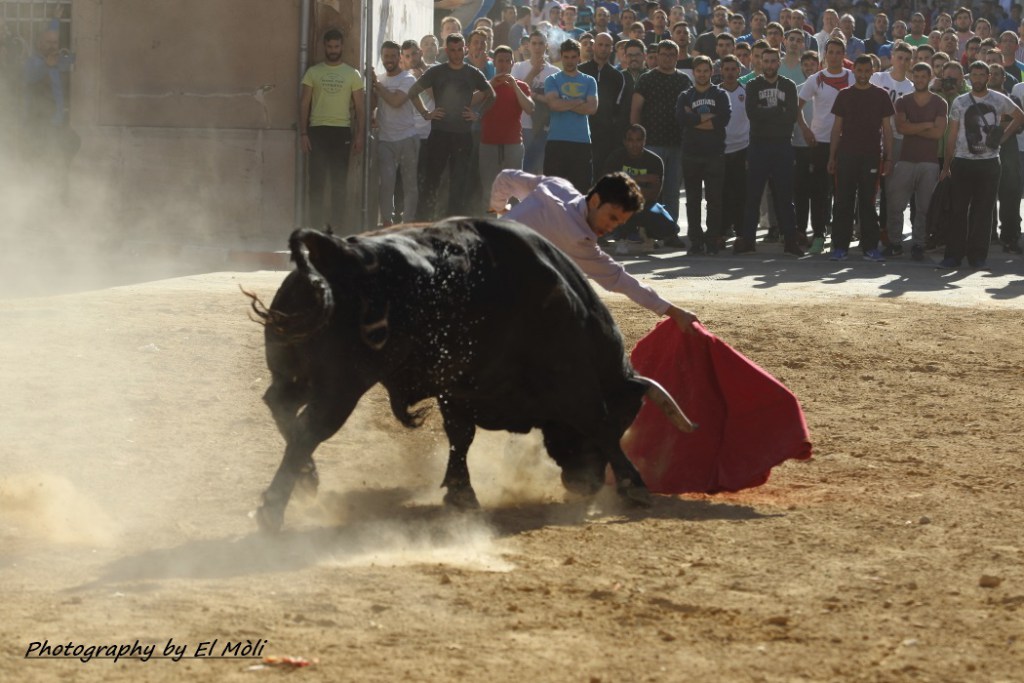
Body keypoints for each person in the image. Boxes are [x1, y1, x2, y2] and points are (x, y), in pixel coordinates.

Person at [489, 170, 698, 330]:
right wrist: (674, 312)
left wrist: (499, 210)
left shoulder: (558, 186)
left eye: (619, 223)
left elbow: (505, 178)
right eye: (612, 217)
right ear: (596, 200)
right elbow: (621, 281)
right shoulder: (577, 239)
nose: (611, 227)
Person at [938, 61, 1024, 268]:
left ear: (988, 77)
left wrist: (1003, 136)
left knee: (983, 212)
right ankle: (954, 255)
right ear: (969, 77)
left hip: (989, 163)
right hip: (962, 162)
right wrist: (946, 165)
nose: (977, 79)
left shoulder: (998, 99)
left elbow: (1019, 116)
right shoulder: (959, 102)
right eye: (974, 75)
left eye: (981, 75)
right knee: (958, 211)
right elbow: (952, 135)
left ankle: (978, 257)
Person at [407, 33, 496, 220]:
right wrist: (426, 114)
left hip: (463, 136)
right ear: (446, 50)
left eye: (459, 50)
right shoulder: (436, 71)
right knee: (432, 180)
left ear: (464, 49)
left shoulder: (472, 73)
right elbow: (413, 92)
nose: (456, 54)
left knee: (459, 182)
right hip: (439, 134)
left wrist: (477, 114)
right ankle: (423, 220)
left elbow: (491, 94)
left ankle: (454, 221)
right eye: (452, 50)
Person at [827, 54, 895, 262]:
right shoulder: (844, 94)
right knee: (842, 202)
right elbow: (836, 127)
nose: (863, 74)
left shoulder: (881, 95)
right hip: (846, 156)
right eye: (860, 71)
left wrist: (889, 157)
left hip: (871, 157)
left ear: (872, 72)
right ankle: (839, 247)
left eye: (867, 71)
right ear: (853, 70)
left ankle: (870, 248)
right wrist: (832, 157)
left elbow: (887, 129)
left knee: (867, 202)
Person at [737, 47, 802, 256]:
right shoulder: (753, 85)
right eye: (766, 61)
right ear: (760, 63)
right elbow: (752, 113)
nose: (770, 65)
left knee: (785, 197)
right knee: (753, 196)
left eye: (774, 61)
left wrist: (767, 112)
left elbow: (791, 115)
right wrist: (777, 111)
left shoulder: (789, 85)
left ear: (779, 63)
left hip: (783, 145)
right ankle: (748, 241)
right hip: (758, 145)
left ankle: (790, 242)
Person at [300, 28, 365, 228]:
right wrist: (303, 133)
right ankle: (315, 230)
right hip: (317, 131)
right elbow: (304, 104)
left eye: (336, 46)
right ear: (325, 47)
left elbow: (360, 109)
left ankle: (337, 232)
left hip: (342, 132)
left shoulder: (352, 74)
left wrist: (360, 135)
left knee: (339, 184)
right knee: (316, 184)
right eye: (330, 46)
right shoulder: (313, 72)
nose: (333, 50)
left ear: (342, 47)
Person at [798, 38, 856, 254]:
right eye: (830, 52)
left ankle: (841, 235)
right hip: (820, 142)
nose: (833, 56)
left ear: (844, 55)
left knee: (845, 192)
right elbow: (798, 107)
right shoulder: (816, 79)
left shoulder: (852, 77)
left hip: (847, 142)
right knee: (820, 192)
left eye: (838, 52)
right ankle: (819, 235)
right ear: (825, 54)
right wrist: (805, 129)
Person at [886, 62, 948, 261]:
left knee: (924, 208)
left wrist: (915, 126)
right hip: (905, 159)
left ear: (930, 78)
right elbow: (902, 128)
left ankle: (919, 244)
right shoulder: (903, 102)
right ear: (912, 77)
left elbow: (939, 133)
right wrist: (928, 124)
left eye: (924, 76)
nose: (920, 80)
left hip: (929, 162)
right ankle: (894, 242)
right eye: (917, 76)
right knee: (895, 205)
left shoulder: (940, 103)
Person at [630, 40, 692, 232]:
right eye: (664, 54)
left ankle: (670, 230)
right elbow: (636, 109)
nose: (667, 58)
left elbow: (690, 110)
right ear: (657, 56)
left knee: (673, 190)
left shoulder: (684, 80)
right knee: (649, 190)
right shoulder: (647, 79)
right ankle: (648, 231)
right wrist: (636, 139)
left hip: (676, 143)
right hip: (652, 144)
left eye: (672, 55)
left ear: (677, 56)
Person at [676, 55, 731, 254]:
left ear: (711, 72)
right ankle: (696, 241)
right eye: (698, 71)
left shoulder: (720, 94)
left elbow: (722, 120)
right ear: (693, 72)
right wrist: (706, 118)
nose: (702, 74)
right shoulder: (685, 96)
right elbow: (682, 120)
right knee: (692, 199)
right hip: (691, 153)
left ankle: (712, 240)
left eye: (705, 70)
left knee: (715, 200)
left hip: (714, 154)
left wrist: (695, 118)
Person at [602, 124, 686, 248]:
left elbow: (654, 195)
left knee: (669, 226)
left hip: (645, 204)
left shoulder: (655, 161)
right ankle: (623, 234)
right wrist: (640, 179)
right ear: (625, 142)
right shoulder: (615, 157)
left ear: (644, 141)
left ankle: (650, 234)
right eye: (630, 140)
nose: (634, 144)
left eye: (638, 140)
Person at [22, 26, 79, 205]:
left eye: (55, 42)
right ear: (39, 44)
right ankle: (40, 201)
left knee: (69, 148)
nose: (52, 46)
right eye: (48, 42)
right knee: (44, 162)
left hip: (58, 123)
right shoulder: (34, 62)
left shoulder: (57, 60)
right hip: (40, 124)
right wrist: (48, 64)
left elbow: (72, 59)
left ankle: (60, 199)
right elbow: (30, 77)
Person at [871, 41, 916, 254]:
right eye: (900, 58)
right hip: (873, 137)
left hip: (898, 140)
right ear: (892, 57)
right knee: (869, 188)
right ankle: (867, 231)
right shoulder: (878, 78)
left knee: (891, 189)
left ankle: (887, 232)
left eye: (907, 59)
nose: (903, 62)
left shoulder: (911, 87)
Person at [371, 41, 419, 226]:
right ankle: (386, 222)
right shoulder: (380, 79)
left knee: (409, 185)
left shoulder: (408, 79)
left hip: (408, 138)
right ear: (382, 57)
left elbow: (396, 101)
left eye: (393, 56)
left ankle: (408, 223)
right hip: (385, 139)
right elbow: (373, 105)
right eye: (386, 56)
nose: (389, 60)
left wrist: (377, 86)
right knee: (386, 185)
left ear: (399, 57)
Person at [543, 38, 599, 193]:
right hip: (556, 141)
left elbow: (592, 108)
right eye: (566, 57)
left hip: (581, 142)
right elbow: (553, 104)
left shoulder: (589, 81)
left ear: (579, 57)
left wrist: (565, 101)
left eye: (573, 57)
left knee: (580, 191)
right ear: (561, 57)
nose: (570, 61)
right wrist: (579, 101)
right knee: (553, 191)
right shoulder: (552, 80)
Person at [479, 45, 533, 194]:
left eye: (507, 61)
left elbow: (530, 108)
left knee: (515, 189)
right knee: (489, 190)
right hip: (488, 143)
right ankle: (490, 217)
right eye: (500, 61)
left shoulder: (521, 86)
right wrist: (490, 85)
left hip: (513, 145)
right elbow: (469, 101)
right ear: (494, 63)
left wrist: (515, 86)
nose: (503, 64)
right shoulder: (485, 85)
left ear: (512, 63)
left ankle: (511, 217)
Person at [580, 32, 631, 175]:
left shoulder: (617, 76)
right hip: (582, 134)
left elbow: (618, 109)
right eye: (600, 45)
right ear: (594, 46)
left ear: (612, 48)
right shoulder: (581, 71)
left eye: (607, 45)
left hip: (606, 138)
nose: (603, 48)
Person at [512, 30, 559, 174]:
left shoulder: (555, 71)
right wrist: (533, 72)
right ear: (529, 46)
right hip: (522, 125)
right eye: (534, 43)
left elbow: (555, 102)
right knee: (521, 169)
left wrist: (535, 95)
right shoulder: (518, 67)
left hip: (544, 128)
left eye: (541, 43)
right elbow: (515, 93)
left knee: (538, 171)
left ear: (546, 46)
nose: (537, 47)